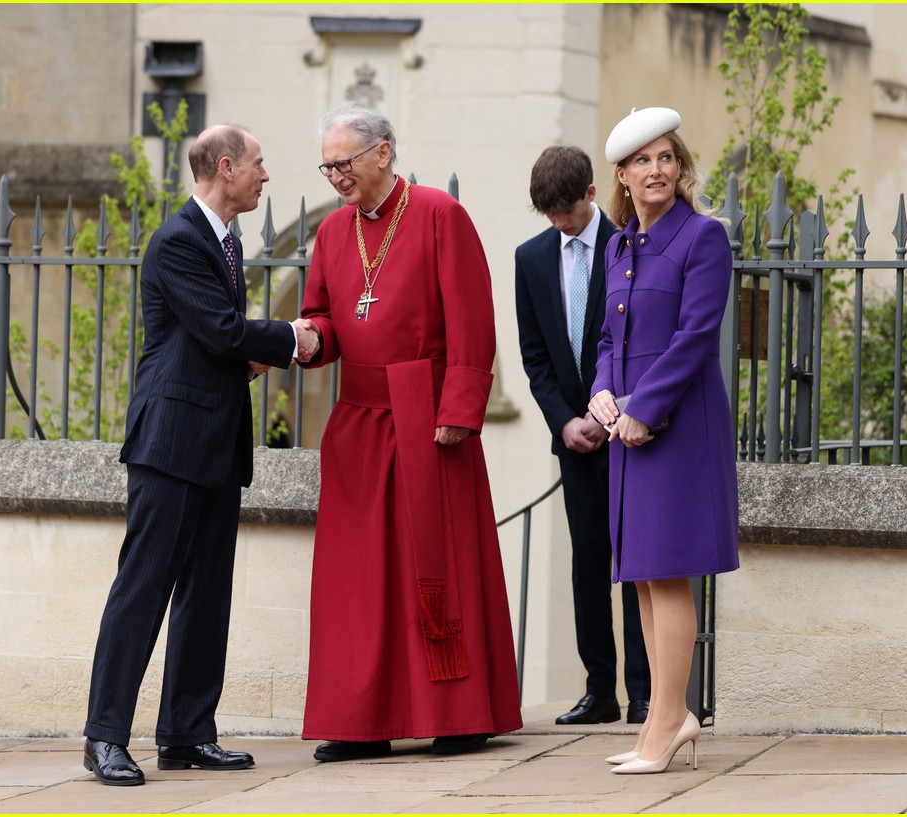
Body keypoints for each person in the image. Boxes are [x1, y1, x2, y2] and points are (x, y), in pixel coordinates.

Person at [82, 124, 320, 786]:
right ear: (225, 167)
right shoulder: (179, 239)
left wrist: (249, 350)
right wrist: (292, 337)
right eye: (258, 163)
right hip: (170, 440)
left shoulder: (230, 241)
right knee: (144, 587)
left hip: (216, 440)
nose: (265, 175)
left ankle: (187, 732)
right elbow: (218, 330)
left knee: (207, 592)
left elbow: (214, 342)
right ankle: (104, 736)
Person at [298, 103, 522, 762]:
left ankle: (457, 715)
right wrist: (307, 342)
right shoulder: (332, 234)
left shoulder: (437, 215)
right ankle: (359, 719)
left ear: (383, 153)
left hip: (429, 420)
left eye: (345, 162)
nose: (336, 175)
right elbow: (324, 315)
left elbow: (472, 318)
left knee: (437, 566)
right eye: (328, 165)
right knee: (360, 581)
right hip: (360, 422)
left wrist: (460, 405)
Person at [587, 107, 739, 775]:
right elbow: (606, 339)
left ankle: (670, 718)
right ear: (621, 175)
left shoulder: (703, 238)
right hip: (628, 431)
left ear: (681, 168)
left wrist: (645, 407)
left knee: (668, 571)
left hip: (677, 428)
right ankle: (665, 718)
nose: (657, 170)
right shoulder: (621, 245)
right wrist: (600, 391)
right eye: (643, 161)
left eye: (667, 158)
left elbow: (696, 337)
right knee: (644, 576)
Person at [513, 146, 651, 726]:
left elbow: (636, 339)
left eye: (566, 212)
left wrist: (609, 414)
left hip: (629, 433)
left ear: (592, 195)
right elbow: (535, 356)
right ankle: (600, 690)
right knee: (587, 562)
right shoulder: (531, 258)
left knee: (637, 563)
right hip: (572, 438)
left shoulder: (630, 244)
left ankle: (645, 692)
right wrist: (564, 421)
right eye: (549, 215)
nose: (559, 224)